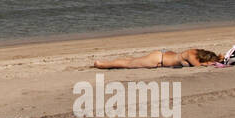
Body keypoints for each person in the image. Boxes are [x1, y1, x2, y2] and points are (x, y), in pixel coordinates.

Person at [92, 48, 223, 69]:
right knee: (128, 64)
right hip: (158, 59)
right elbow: (198, 66)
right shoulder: (192, 54)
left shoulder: (195, 53)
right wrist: (213, 64)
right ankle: (102, 64)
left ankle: (105, 63)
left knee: (131, 60)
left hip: (162, 57)